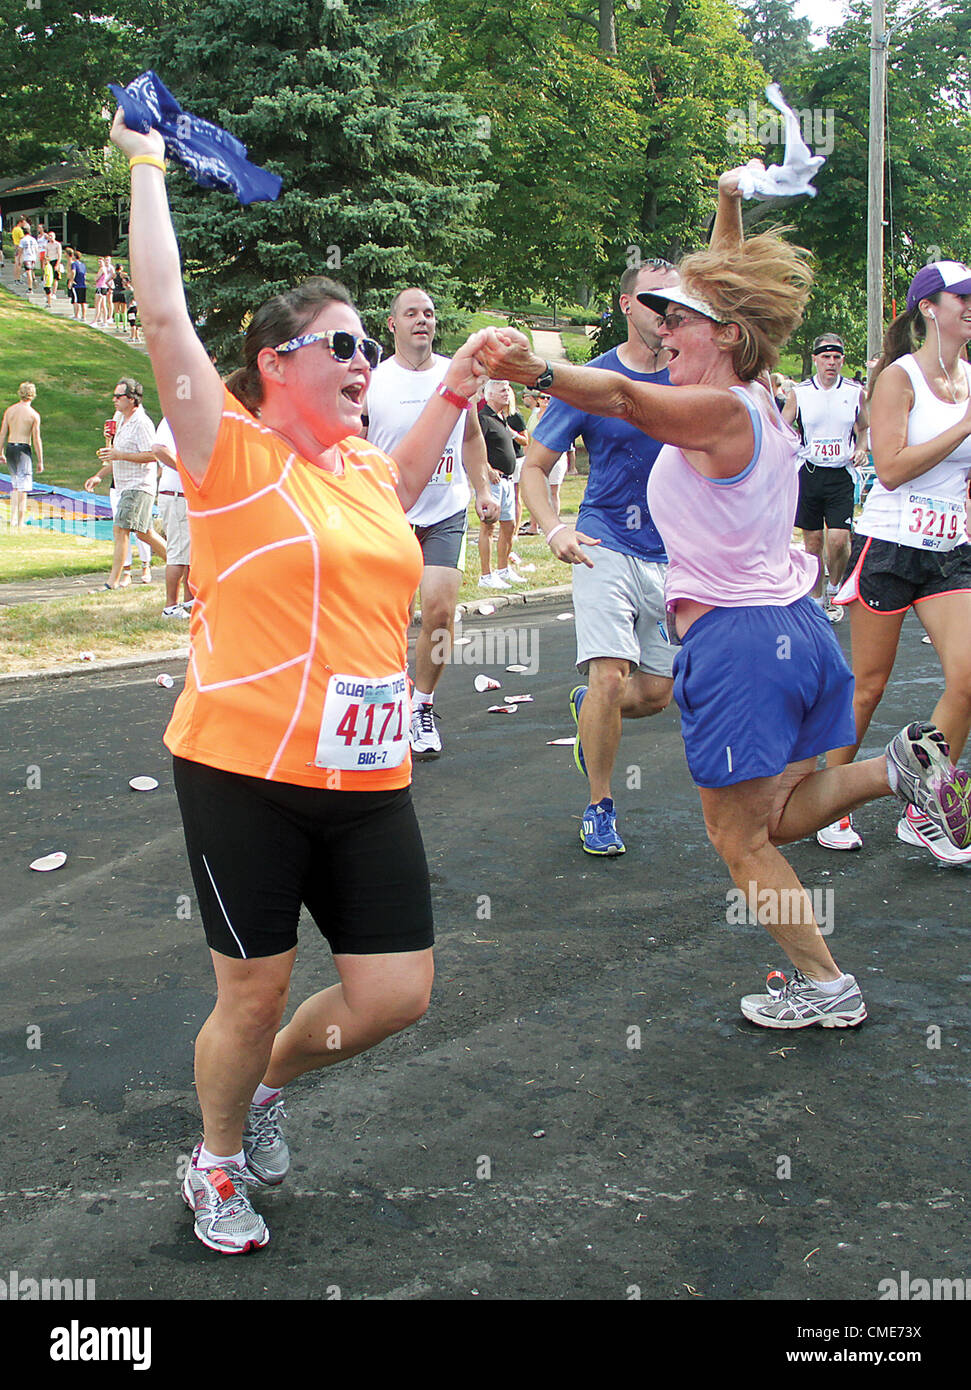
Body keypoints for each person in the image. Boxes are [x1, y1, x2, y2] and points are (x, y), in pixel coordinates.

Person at [108, 107, 491, 1253]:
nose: (366, 361)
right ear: (276, 364)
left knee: (393, 995)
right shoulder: (227, 451)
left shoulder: (367, 463)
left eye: (372, 345)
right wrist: (142, 164)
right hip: (244, 768)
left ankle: (260, 1089)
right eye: (344, 345)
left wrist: (464, 373)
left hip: (368, 769)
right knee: (254, 988)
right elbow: (163, 311)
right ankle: (214, 1158)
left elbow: (411, 478)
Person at [477, 229, 971, 1030]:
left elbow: (628, 399)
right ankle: (897, 769)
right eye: (660, 316)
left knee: (737, 840)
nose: (662, 330)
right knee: (775, 817)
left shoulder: (718, 408)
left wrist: (533, 369)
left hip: (739, 645)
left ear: (726, 336)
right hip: (795, 633)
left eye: (679, 320)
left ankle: (826, 985)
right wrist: (728, 207)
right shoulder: (759, 394)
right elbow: (726, 295)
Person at [822, 260, 971, 866]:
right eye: (961, 298)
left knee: (967, 678)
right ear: (929, 309)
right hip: (888, 545)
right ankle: (828, 801)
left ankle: (926, 804)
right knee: (868, 687)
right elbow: (890, 467)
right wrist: (963, 427)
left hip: (951, 551)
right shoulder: (898, 378)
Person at [364, 286, 499, 761]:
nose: (422, 320)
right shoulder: (374, 381)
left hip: (445, 510)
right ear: (392, 324)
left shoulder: (453, 373)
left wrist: (482, 488)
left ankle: (422, 704)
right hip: (389, 513)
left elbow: (473, 436)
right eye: (411, 313)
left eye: (429, 313)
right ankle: (389, 698)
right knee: (388, 619)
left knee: (439, 614)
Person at [783, 334, 868, 624]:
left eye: (836, 357)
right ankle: (817, 598)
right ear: (816, 359)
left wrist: (861, 448)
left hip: (841, 474)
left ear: (842, 360)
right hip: (809, 473)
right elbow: (783, 426)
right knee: (814, 541)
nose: (831, 363)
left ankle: (835, 588)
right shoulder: (800, 392)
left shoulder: (855, 392)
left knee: (839, 539)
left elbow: (864, 427)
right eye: (825, 357)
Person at [83, 378, 166, 587]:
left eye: (118, 396)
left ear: (132, 399)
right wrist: (100, 473)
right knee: (144, 532)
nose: (114, 400)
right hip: (122, 485)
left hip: (139, 485)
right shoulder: (119, 418)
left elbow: (153, 455)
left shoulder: (142, 423)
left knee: (121, 529)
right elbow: (116, 455)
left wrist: (120, 454)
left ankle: (112, 582)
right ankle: (182, 565)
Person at [477, 380, 523, 589]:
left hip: (508, 480)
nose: (507, 393)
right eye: (502, 390)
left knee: (509, 525)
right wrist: (488, 469)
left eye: (508, 389)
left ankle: (504, 569)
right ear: (489, 395)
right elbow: (474, 448)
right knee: (489, 526)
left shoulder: (502, 419)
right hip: (494, 482)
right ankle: (486, 575)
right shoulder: (483, 418)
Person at [153, 417, 193, 617]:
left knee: (189, 553)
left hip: (188, 496)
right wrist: (187, 471)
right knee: (177, 553)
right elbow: (159, 449)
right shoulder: (173, 419)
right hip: (176, 496)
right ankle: (170, 607)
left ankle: (189, 601)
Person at [1, 382, 43, 530]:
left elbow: (3, 433)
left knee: (15, 485)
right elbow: (36, 439)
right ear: (33, 395)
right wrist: (40, 460)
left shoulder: (10, 411)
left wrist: (1, 451)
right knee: (23, 487)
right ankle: (19, 521)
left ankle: (12, 518)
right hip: (24, 449)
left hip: (11, 447)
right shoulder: (33, 415)